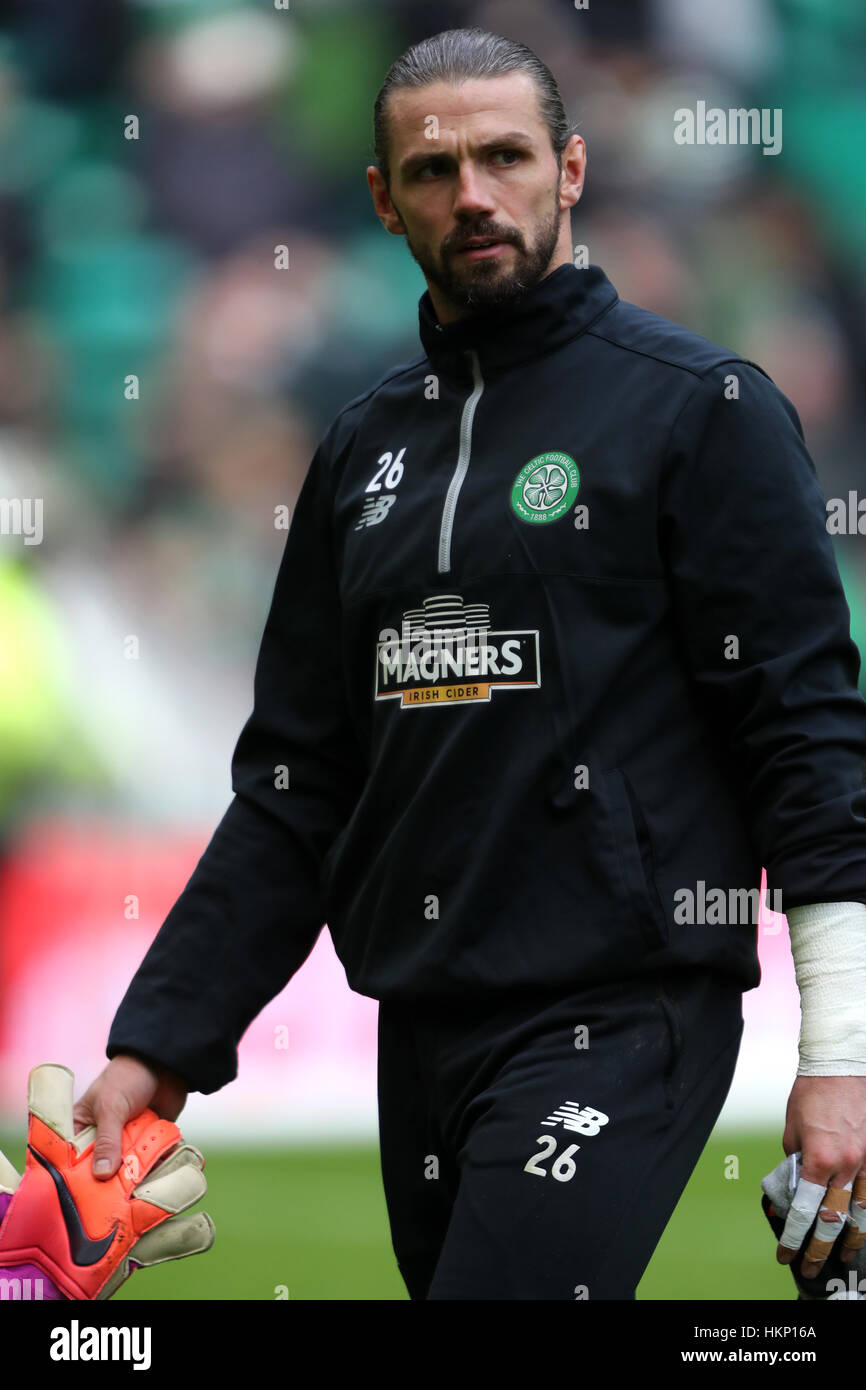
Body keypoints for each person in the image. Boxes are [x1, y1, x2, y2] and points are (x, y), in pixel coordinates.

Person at [74, 28, 866, 1299]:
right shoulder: (357, 451)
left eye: (503, 157)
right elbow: (296, 787)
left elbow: (811, 745)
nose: (473, 195)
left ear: (569, 169)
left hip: (624, 1014)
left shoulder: (699, 410)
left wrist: (841, 1053)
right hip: (424, 1030)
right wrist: (156, 1047)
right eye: (432, 169)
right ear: (384, 200)